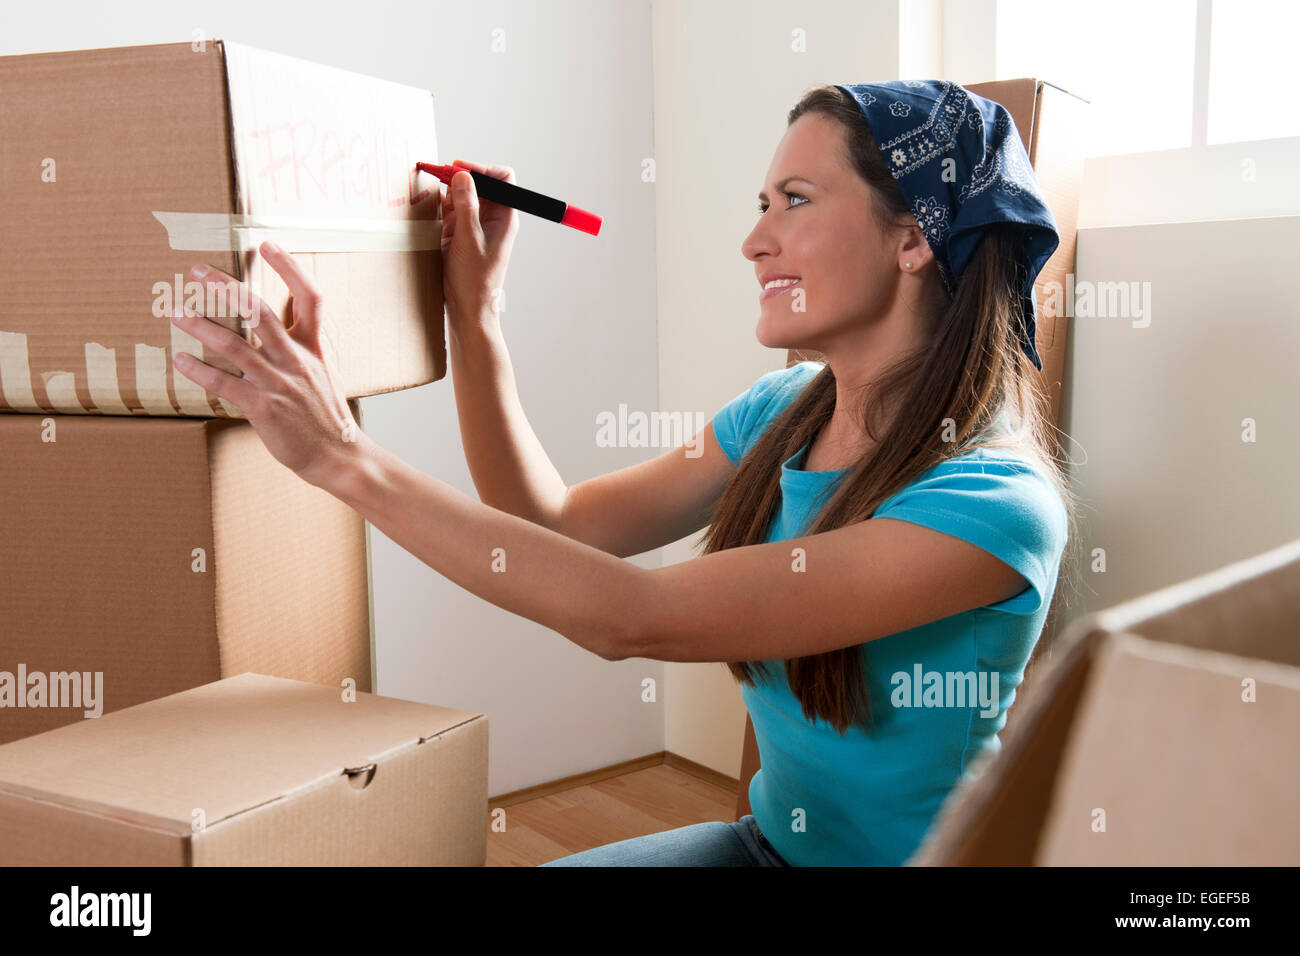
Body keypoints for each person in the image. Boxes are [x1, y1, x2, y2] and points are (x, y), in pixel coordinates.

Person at [170, 79, 1078, 867]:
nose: (754, 241)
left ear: (913, 238)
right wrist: (473, 310)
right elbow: (554, 520)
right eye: (760, 203)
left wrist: (342, 457)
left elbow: (629, 618)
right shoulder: (785, 410)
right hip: (769, 852)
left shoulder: (996, 504)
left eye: (793, 200)